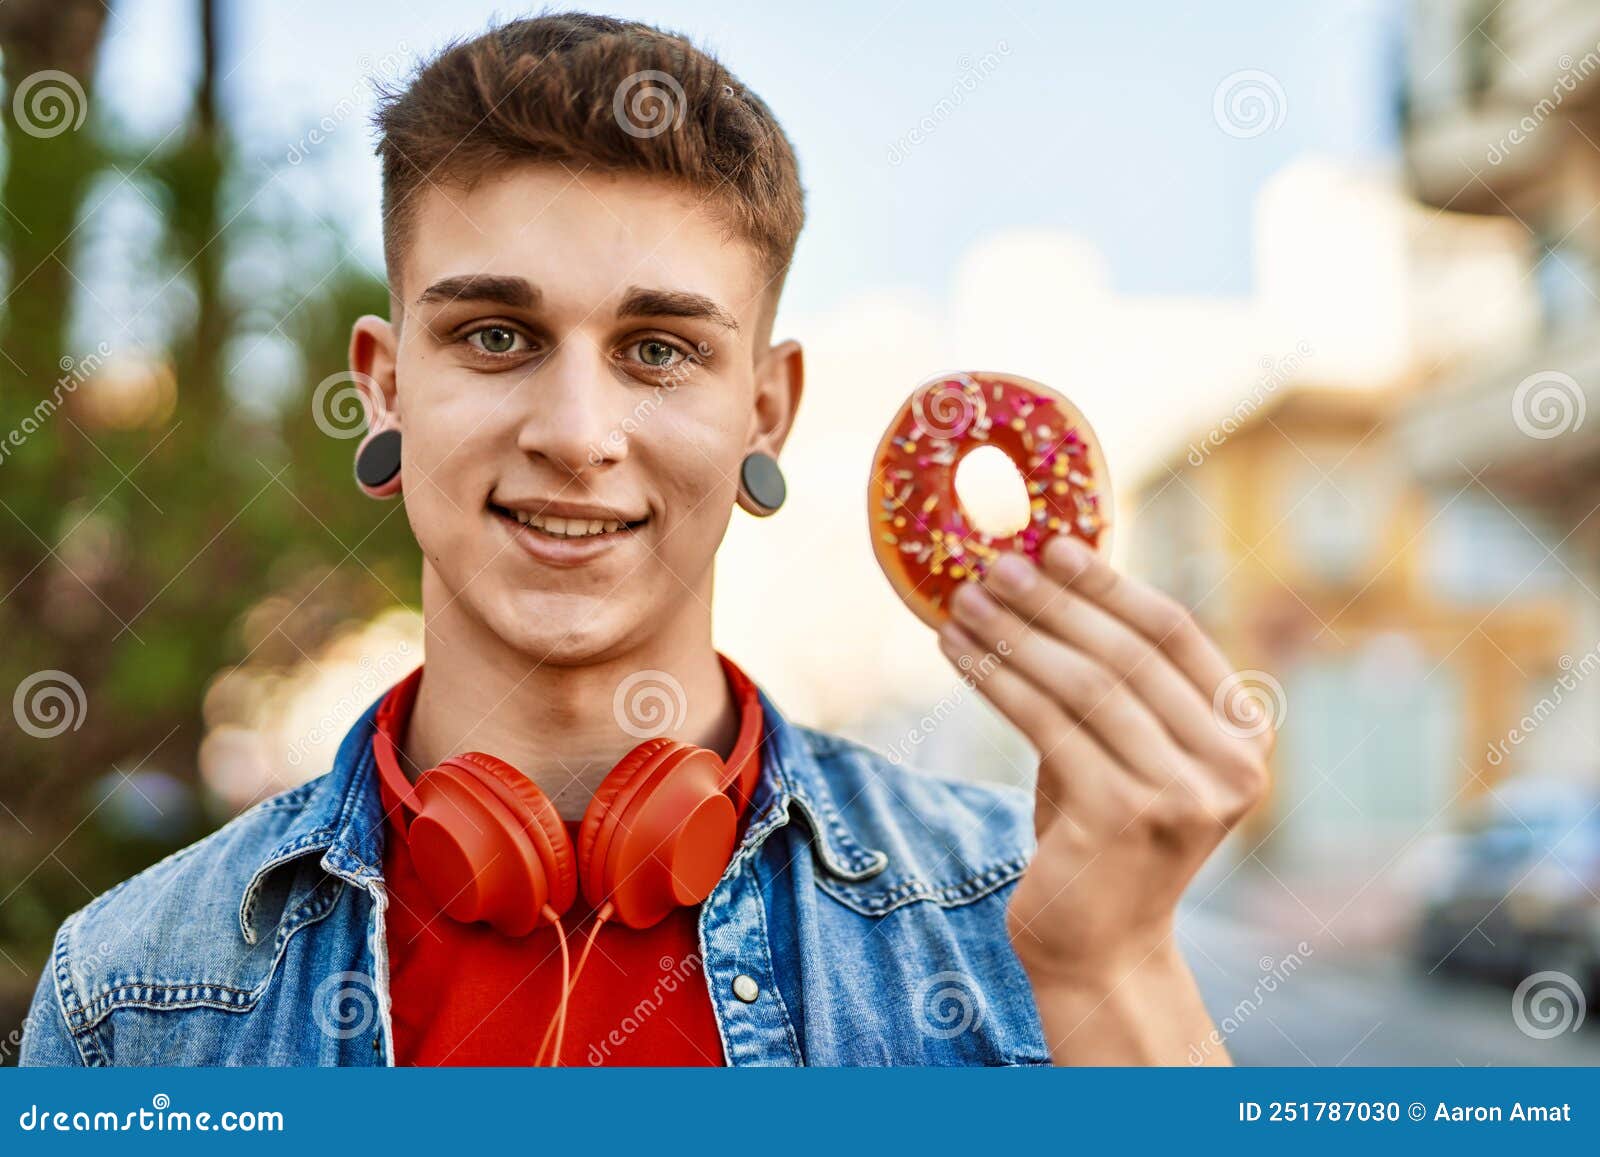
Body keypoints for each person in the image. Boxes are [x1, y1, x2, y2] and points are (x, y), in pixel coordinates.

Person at [20, 11, 1271, 1068]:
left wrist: (1109, 973)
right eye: (496, 335)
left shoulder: (1016, 907)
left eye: (659, 349)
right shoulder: (130, 993)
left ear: (764, 409)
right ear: (386, 386)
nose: (576, 433)